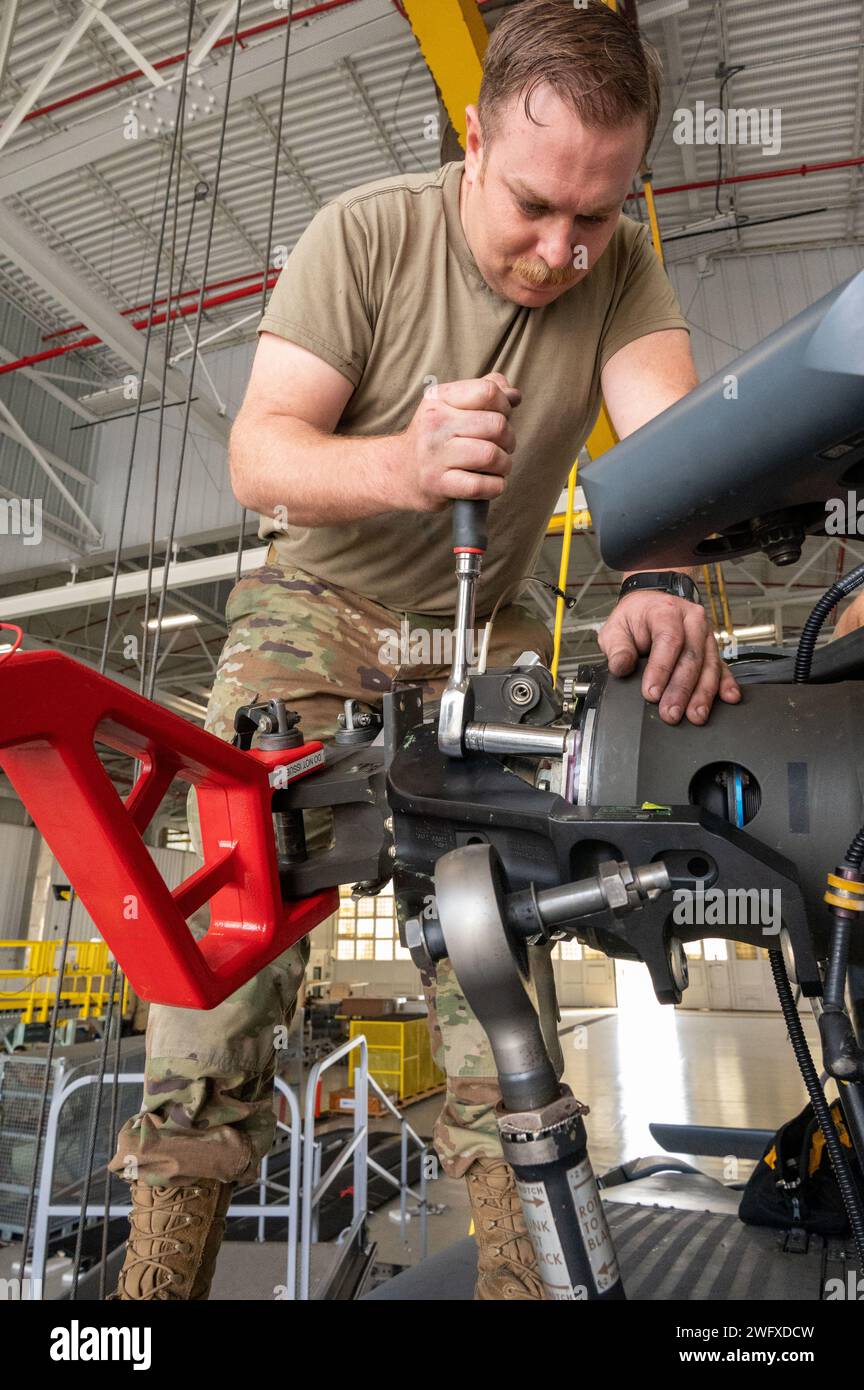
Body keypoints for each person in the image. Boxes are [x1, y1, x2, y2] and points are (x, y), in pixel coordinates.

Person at [109, 0, 739, 1301]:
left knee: (497, 962)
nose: (564, 250)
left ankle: (518, 1275)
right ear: (471, 137)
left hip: (479, 630)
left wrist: (674, 573)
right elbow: (259, 453)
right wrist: (402, 460)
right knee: (222, 967)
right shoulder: (368, 234)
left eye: (598, 213)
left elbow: (675, 448)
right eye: (532, 205)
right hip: (311, 611)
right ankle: (153, 1290)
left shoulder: (622, 269)